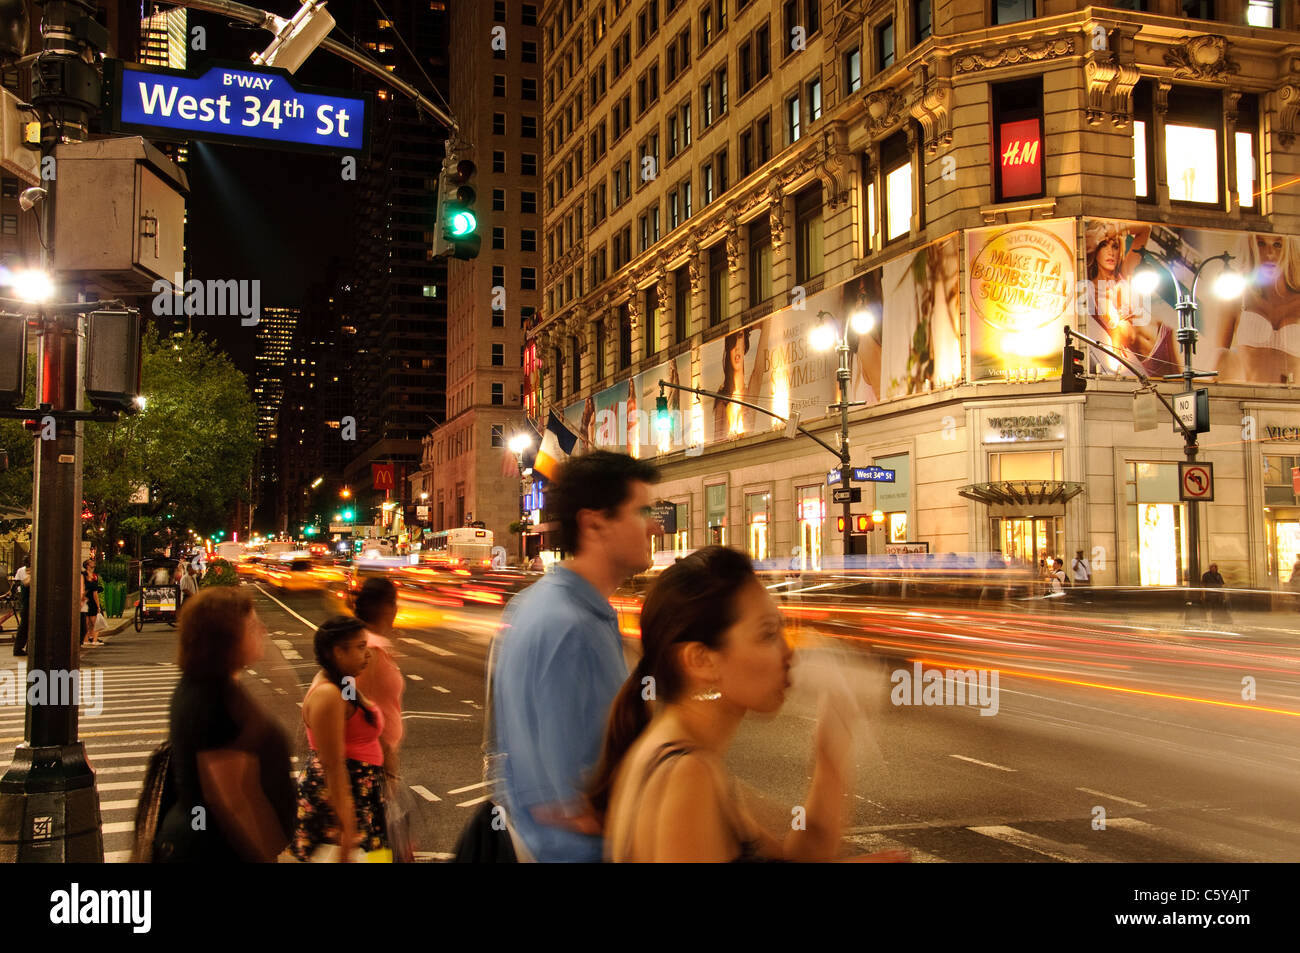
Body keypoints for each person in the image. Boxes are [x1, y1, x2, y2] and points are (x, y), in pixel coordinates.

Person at [590, 547, 901, 863]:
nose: (788, 652)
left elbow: (799, 855)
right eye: (767, 634)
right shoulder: (688, 775)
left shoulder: (691, 761)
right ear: (701, 660)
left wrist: (831, 744)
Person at [492, 450, 660, 862]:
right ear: (595, 523)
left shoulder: (545, 606)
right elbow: (576, 803)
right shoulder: (570, 628)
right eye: (640, 512)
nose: (656, 525)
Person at [154, 588, 294, 862]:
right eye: (253, 625)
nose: (263, 631)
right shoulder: (210, 699)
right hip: (215, 851)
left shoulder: (214, 686)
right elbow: (234, 802)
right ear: (226, 637)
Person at [292, 616, 389, 862]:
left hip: (359, 799)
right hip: (338, 807)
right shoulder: (328, 694)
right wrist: (347, 829)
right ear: (337, 652)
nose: (367, 654)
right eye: (359, 647)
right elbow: (333, 766)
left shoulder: (342, 683)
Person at [1084, 221, 1180, 378]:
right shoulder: (1088, 288)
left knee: (1183, 391)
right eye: (1104, 246)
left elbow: (1146, 229)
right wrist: (1096, 237)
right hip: (1137, 357)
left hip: (1162, 336)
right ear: (1095, 249)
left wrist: (1113, 230)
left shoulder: (1125, 271)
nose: (1111, 252)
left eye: (1115, 246)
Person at [1210, 234, 1300, 384]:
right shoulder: (1236, 297)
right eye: (1261, 244)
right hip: (1248, 400)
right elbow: (1219, 360)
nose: (1270, 253)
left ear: (1288, 249)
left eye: (1278, 245)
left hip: (1294, 402)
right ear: (1250, 247)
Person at [353, 577, 404, 779]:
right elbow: (355, 703)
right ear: (385, 607)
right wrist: (386, 753)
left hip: (375, 755)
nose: (396, 609)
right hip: (372, 759)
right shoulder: (369, 650)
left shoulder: (372, 644)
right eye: (394, 603)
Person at [81, 559, 103, 646]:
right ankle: (89, 639)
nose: (93, 564)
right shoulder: (83, 575)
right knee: (89, 623)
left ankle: (92, 639)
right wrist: (98, 606)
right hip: (86, 600)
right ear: (87, 565)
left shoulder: (95, 576)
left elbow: (95, 592)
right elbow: (94, 593)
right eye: (91, 563)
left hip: (90, 601)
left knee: (92, 622)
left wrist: (98, 605)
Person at [11, 557, 29, 657]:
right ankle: (18, 648)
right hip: (25, 602)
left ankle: (24, 647)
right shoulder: (24, 573)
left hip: (25, 601)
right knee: (24, 626)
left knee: (25, 626)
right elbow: (18, 583)